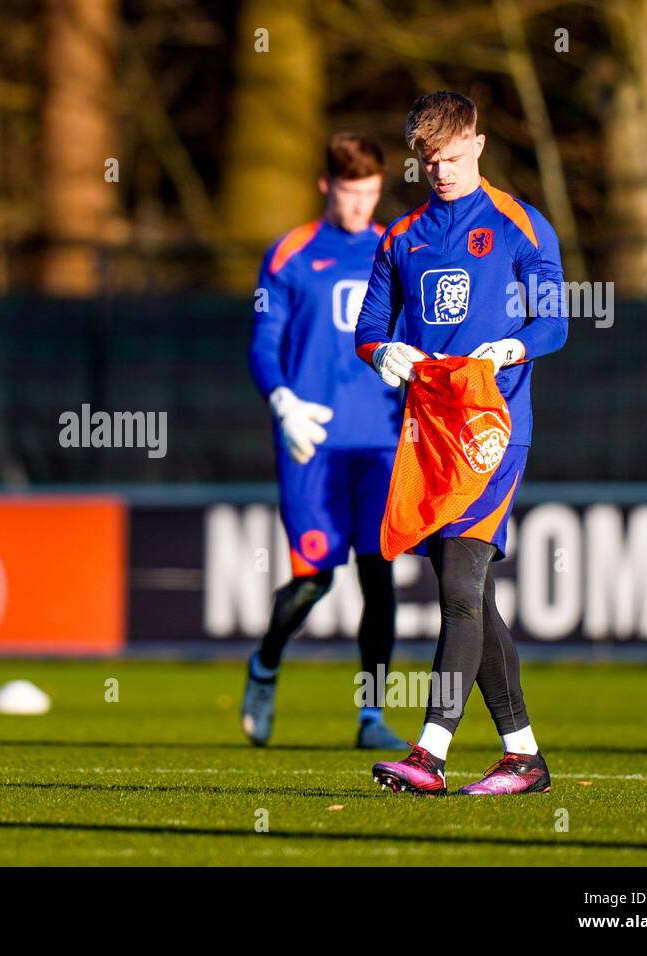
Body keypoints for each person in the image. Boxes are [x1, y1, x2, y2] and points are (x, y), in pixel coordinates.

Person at [355, 91, 567, 796]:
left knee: (459, 585)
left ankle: (430, 753)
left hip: (492, 430)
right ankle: (524, 758)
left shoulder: (519, 224)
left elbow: (555, 321)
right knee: (471, 596)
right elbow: (369, 323)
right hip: (428, 435)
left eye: (449, 156)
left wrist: (512, 347)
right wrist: (380, 354)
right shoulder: (402, 237)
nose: (440, 171)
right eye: (428, 160)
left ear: (477, 142)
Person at [242, 134, 409, 751]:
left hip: (384, 442)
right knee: (315, 576)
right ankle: (265, 665)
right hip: (311, 441)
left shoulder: (397, 248)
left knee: (380, 574)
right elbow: (264, 343)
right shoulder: (290, 254)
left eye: (371, 192)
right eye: (350, 192)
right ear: (326, 186)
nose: (362, 205)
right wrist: (281, 401)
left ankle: (372, 717)